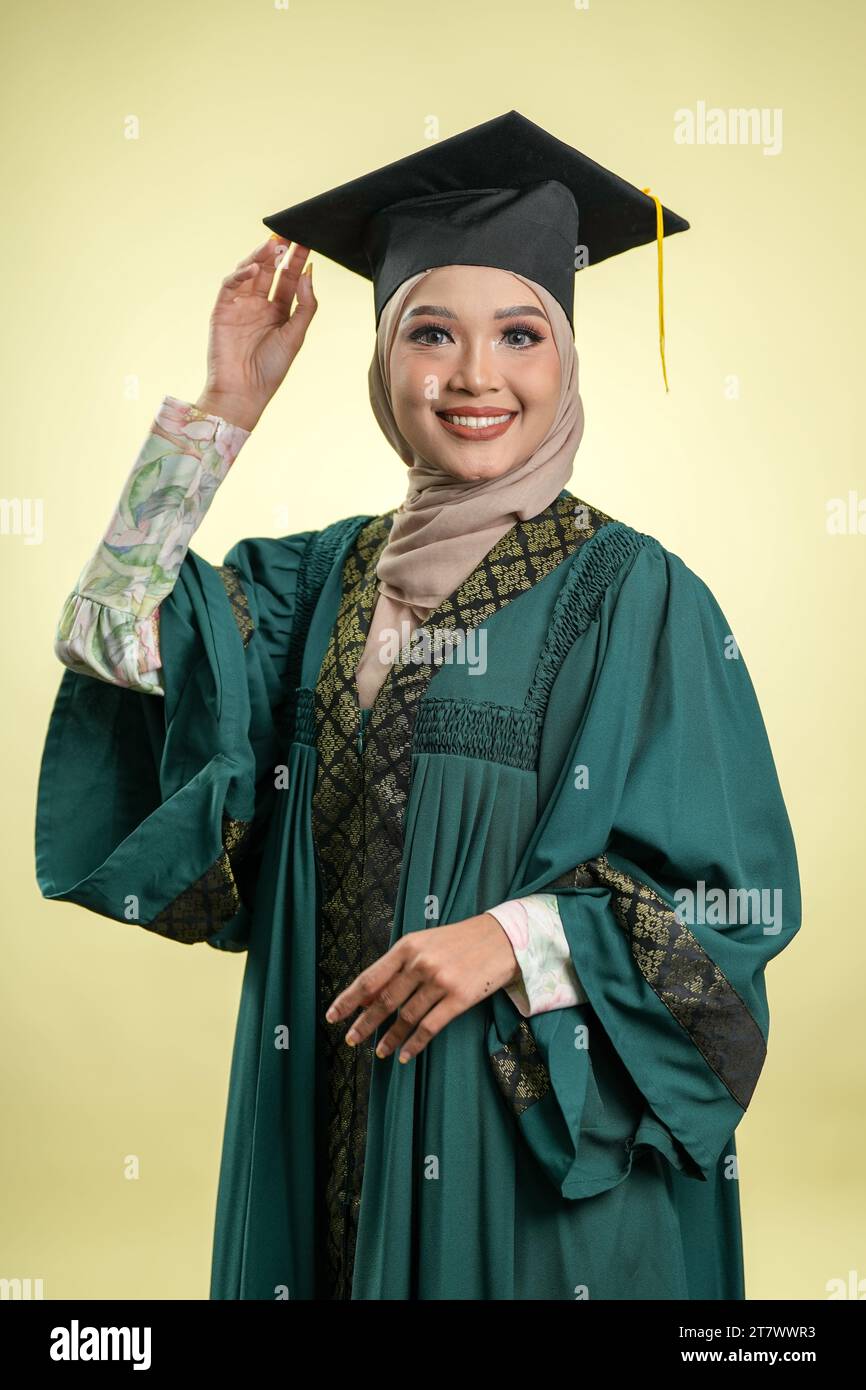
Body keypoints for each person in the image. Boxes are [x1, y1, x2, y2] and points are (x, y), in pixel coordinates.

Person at [35, 111, 801, 1301]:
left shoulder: (636, 596)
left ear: (567, 359)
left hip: (526, 1162)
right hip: (318, 1116)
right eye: (429, 332)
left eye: (520, 333)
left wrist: (516, 936)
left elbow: (727, 909)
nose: (475, 376)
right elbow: (105, 638)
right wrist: (222, 407)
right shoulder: (309, 587)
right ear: (383, 359)